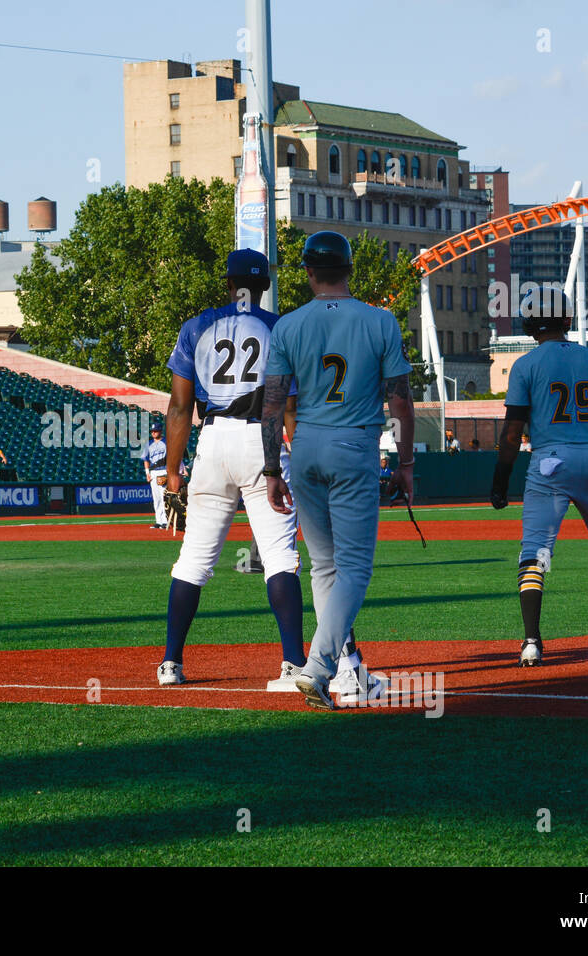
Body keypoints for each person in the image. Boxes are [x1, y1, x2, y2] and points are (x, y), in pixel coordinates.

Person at [261, 231, 416, 710]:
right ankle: (320, 667)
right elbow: (400, 401)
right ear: (350, 270)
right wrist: (406, 462)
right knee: (355, 568)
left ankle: (340, 674)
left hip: (304, 445)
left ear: (308, 272)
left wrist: (272, 469)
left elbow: (271, 406)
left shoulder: (287, 326)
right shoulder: (380, 321)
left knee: (326, 567)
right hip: (353, 446)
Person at [155, 249, 307, 690]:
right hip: (262, 437)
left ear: (228, 282)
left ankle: (171, 663)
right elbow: (289, 405)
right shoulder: (279, 328)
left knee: (194, 560)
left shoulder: (196, 326)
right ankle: (294, 664)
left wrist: (173, 470)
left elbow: (180, 406)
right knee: (280, 557)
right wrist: (298, 455)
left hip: (214, 438)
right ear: (262, 286)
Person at [491, 288, 588, 666]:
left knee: (536, 552)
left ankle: (531, 641)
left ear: (529, 323)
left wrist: (500, 480)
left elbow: (512, 433)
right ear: (568, 320)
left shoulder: (525, 365)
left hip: (547, 463)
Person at [142, 423, 169, 528]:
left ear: (160, 431)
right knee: (156, 498)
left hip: (163, 471)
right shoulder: (148, 444)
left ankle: (165, 521)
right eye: (152, 431)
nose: (153, 432)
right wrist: (147, 473)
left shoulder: (166, 442)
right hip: (153, 472)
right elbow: (146, 459)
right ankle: (158, 521)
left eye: (155, 431)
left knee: (163, 497)